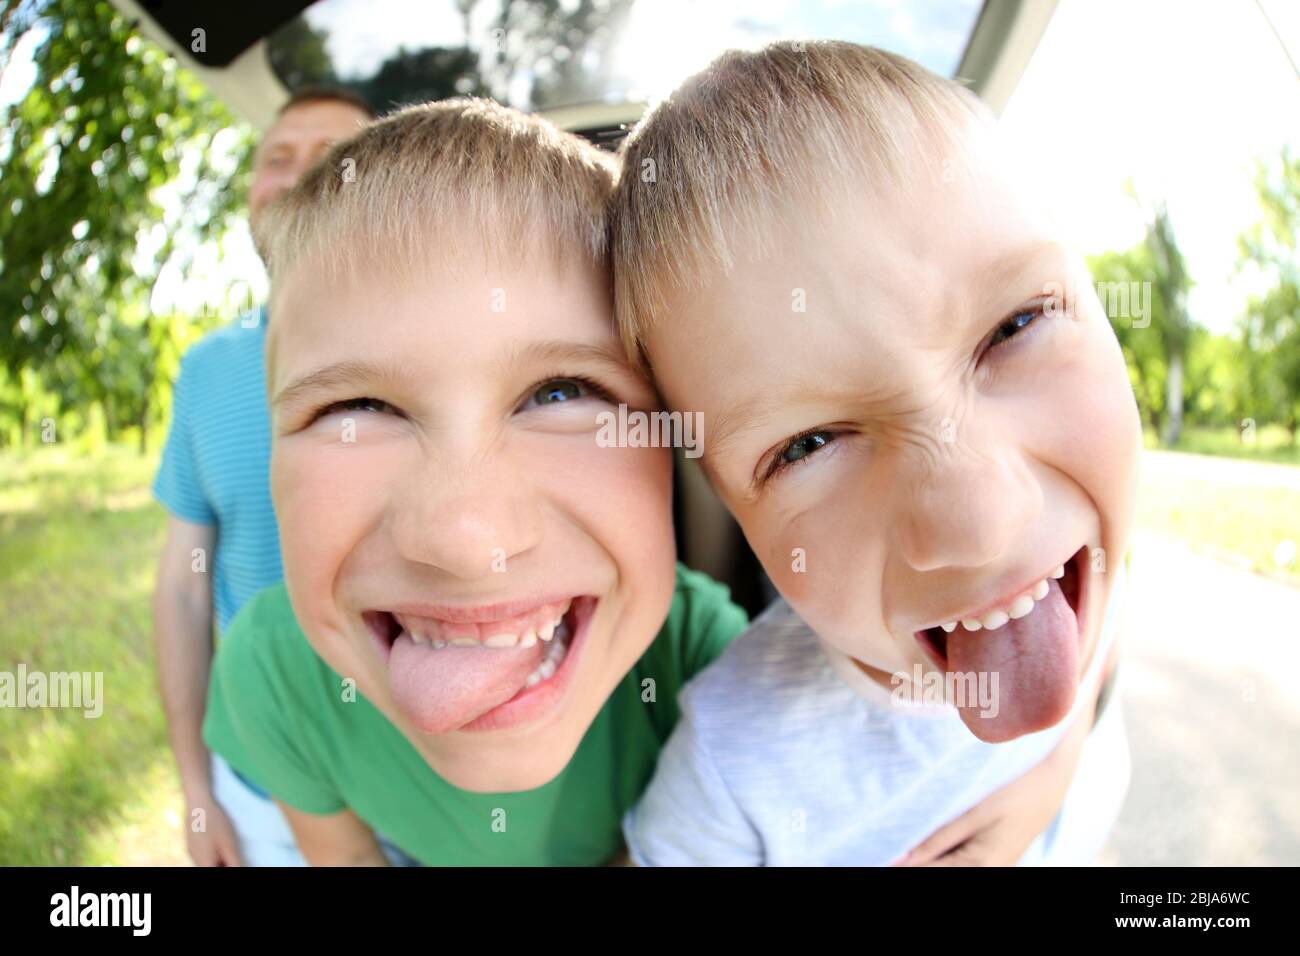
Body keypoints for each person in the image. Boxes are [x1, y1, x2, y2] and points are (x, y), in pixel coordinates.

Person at [202, 97, 1094, 866]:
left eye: (562, 392)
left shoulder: (713, 678)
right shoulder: (271, 673)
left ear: (672, 443)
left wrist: (1058, 758)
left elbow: (1046, 581)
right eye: (358, 407)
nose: (464, 540)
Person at [612, 42, 1140, 865]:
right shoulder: (727, 770)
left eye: (1016, 326)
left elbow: (1110, 615)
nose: (982, 524)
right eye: (809, 445)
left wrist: (1055, 774)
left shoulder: (1084, 568)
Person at [151, 86, 374, 866]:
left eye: (331, 157)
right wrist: (197, 788)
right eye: (277, 158)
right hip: (257, 793)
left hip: (432, 796)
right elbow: (182, 589)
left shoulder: (457, 355)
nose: (299, 173)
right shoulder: (205, 371)